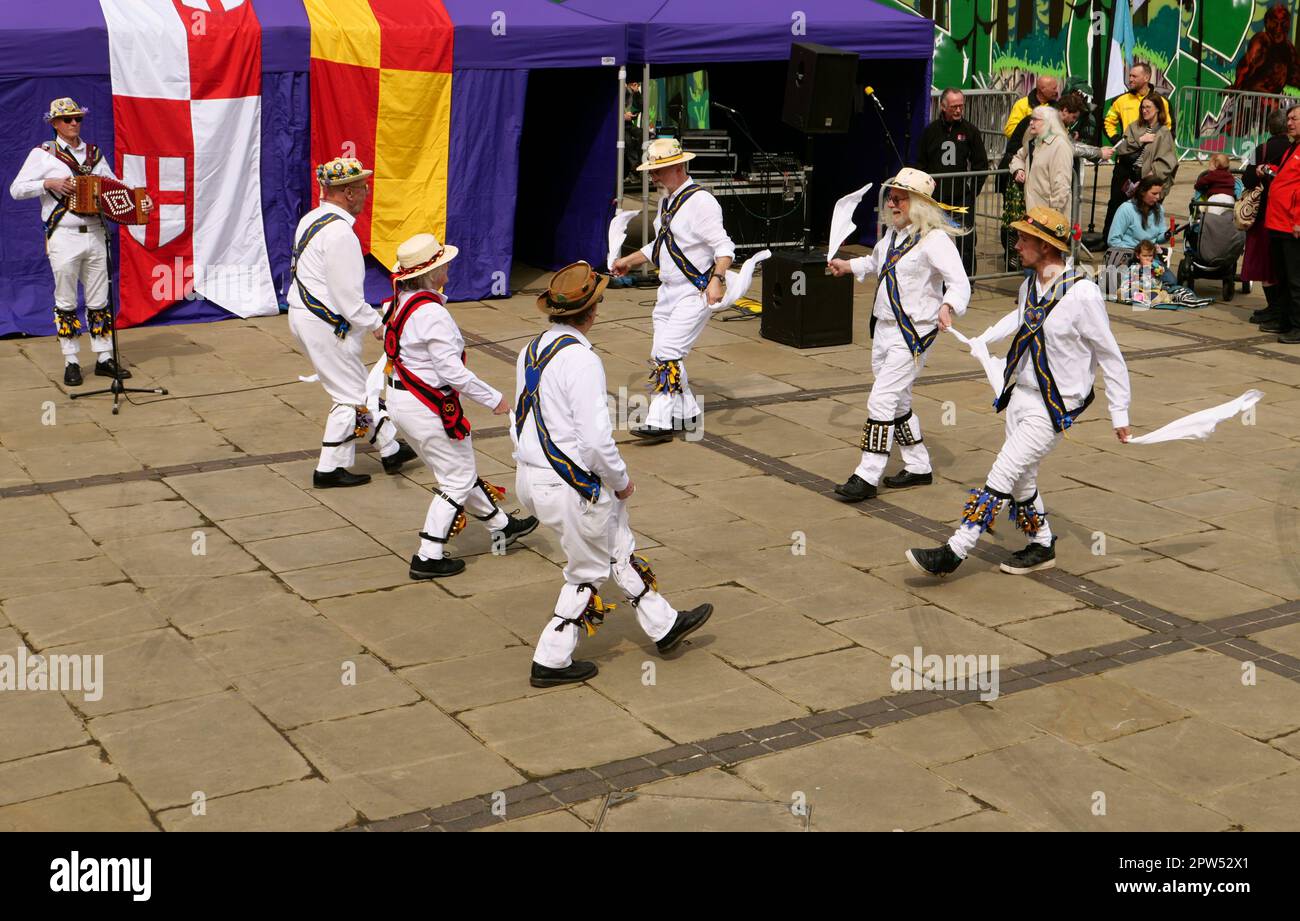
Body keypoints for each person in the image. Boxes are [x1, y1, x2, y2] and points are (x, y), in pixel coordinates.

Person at [514, 262, 713, 687]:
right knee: (586, 572)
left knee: (618, 545)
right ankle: (550, 657)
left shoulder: (531, 348)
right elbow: (595, 442)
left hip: (533, 476)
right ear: (593, 310)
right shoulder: (582, 361)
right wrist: (620, 481)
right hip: (570, 485)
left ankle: (664, 624)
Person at [905, 206, 1130, 577]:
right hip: (1021, 393)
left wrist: (1120, 414)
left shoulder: (1083, 293)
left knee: (1005, 470)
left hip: (1056, 405)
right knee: (1023, 476)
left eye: (1025, 238)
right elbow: (1023, 317)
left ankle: (955, 551)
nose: (1018, 243)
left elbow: (1110, 354)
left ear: (1046, 246)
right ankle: (1042, 544)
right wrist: (982, 338)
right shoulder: (1030, 284)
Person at [382, 232, 537, 579]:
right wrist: (494, 399)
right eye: (443, 263)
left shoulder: (397, 301)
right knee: (456, 479)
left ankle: (501, 525)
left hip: (401, 399)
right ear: (432, 273)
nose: (448, 267)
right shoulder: (431, 315)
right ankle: (428, 555)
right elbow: (452, 371)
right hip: (425, 403)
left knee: (456, 470)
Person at [826, 168, 971, 502]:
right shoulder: (893, 236)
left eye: (899, 198)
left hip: (914, 333)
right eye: (890, 197)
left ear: (918, 203)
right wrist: (847, 266)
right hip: (883, 330)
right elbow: (876, 263)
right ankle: (919, 465)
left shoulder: (935, 241)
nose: (891, 203)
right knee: (898, 401)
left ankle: (867, 474)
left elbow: (960, 283)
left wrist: (949, 306)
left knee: (881, 399)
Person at [287, 156, 416, 489]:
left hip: (306, 315)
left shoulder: (312, 219)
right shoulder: (341, 233)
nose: (366, 193)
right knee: (350, 396)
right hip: (326, 323)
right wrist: (376, 324)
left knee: (355, 387)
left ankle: (389, 447)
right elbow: (347, 296)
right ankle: (329, 469)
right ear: (346, 193)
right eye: (361, 188)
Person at [9, 97, 151, 387]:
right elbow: (16, 189)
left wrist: (138, 204)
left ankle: (103, 357)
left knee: (100, 299)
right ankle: (71, 360)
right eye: (67, 119)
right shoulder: (43, 154)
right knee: (66, 299)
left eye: (78, 119)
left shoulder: (93, 154)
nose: (74, 123)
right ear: (54, 124)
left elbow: (115, 188)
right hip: (64, 236)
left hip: (97, 233)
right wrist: (48, 184)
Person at [611, 137, 734, 442]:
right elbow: (662, 244)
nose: (653, 177)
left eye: (659, 171)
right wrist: (629, 259)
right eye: (652, 171)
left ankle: (659, 419)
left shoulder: (701, 202)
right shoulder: (667, 201)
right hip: (667, 292)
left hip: (694, 291)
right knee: (660, 354)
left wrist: (718, 279)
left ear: (679, 166)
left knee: (668, 353)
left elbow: (724, 246)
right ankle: (687, 411)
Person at [916, 88, 989, 275]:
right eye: (954, 106)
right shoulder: (930, 131)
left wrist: (972, 193)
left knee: (966, 239)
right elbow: (920, 163)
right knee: (931, 239)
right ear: (943, 106)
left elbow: (981, 164)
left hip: (960, 198)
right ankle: (933, 277)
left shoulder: (970, 131)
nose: (958, 110)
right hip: (935, 199)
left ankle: (967, 278)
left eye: (961, 106)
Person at [1101, 63, 1168, 236]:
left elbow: (1168, 128)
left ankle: (1141, 239)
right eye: (1129, 76)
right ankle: (1108, 236)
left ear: (1146, 78)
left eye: (1134, 76)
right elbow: (1108, 122)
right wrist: (1118, 141)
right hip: (1124, 162)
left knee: (1144, 205)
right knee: (1116, 202)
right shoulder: (1122, 100)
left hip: (1146, 166)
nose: (1130, 79)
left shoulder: (1161, 102)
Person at [1243, 108, 1295, 327]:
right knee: (1279, 266)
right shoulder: (1291, 148)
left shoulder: (1263, 148)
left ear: (1269, 127)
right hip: (1283, 215)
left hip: (1267, 213)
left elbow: (1246, 177)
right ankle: (1278, 310)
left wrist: (1258, 174)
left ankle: (1276, 309)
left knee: (1266, 264)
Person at [1261, 105, 1300, 344]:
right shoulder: (1293, 147)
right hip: (1278, 221)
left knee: (1296, 279)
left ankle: (1297, 325)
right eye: (1289, 118)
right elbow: (1287, 175)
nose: (1290, 122)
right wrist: (1271, 170)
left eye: (1295, 118)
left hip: (1291, 224)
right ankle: (1285, 320)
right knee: (1283, 276)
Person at [1101, 93, 1177, 216]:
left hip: (1147, 179)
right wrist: (1141, 139)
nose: (1144, 110)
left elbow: (1167, 161)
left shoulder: (1164, 133)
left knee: (1142, 215)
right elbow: (1122, 149)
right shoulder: (1134, 127)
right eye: (1142, 107)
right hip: (1128, 175)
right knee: (1117, 209)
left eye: (1148, 107)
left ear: (1157, 108)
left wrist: (1149, 178)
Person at [1009, 106, 1075, 214]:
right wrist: (1018, 170)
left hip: (1049, 218)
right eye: (1031, 119)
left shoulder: (1060, 146)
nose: (1031, 123)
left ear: (1049, 122)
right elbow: (1018, 157)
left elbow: (1061, 187)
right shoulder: (1034, 142)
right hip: (1033, 212)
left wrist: (1052, 215)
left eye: (1035, 119)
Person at [1119, 240, 1212, 309]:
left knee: (1161, 294)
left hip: (1154, 289)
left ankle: (1167, 297)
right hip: (1140, 289)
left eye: (1150, 256)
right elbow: (1128, 282)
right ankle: (1150, 298)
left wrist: (1156, 269)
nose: (1148, 258)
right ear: (1138, 256)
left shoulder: (1155, 265)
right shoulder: (1135, 267)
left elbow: (1164, 278)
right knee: (1123, 292)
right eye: (1145, 256)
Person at [1107, 176, 1169, 251]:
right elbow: (1113, 241)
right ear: (1143, 192)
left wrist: (1167, 235)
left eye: (1159, 193)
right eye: (1154, 193)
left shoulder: (1159, 209)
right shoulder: (1126, 209)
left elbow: (1158, 239)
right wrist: (1136, 252)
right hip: (1129, 254)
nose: (1158, 197)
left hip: (1149, 255)